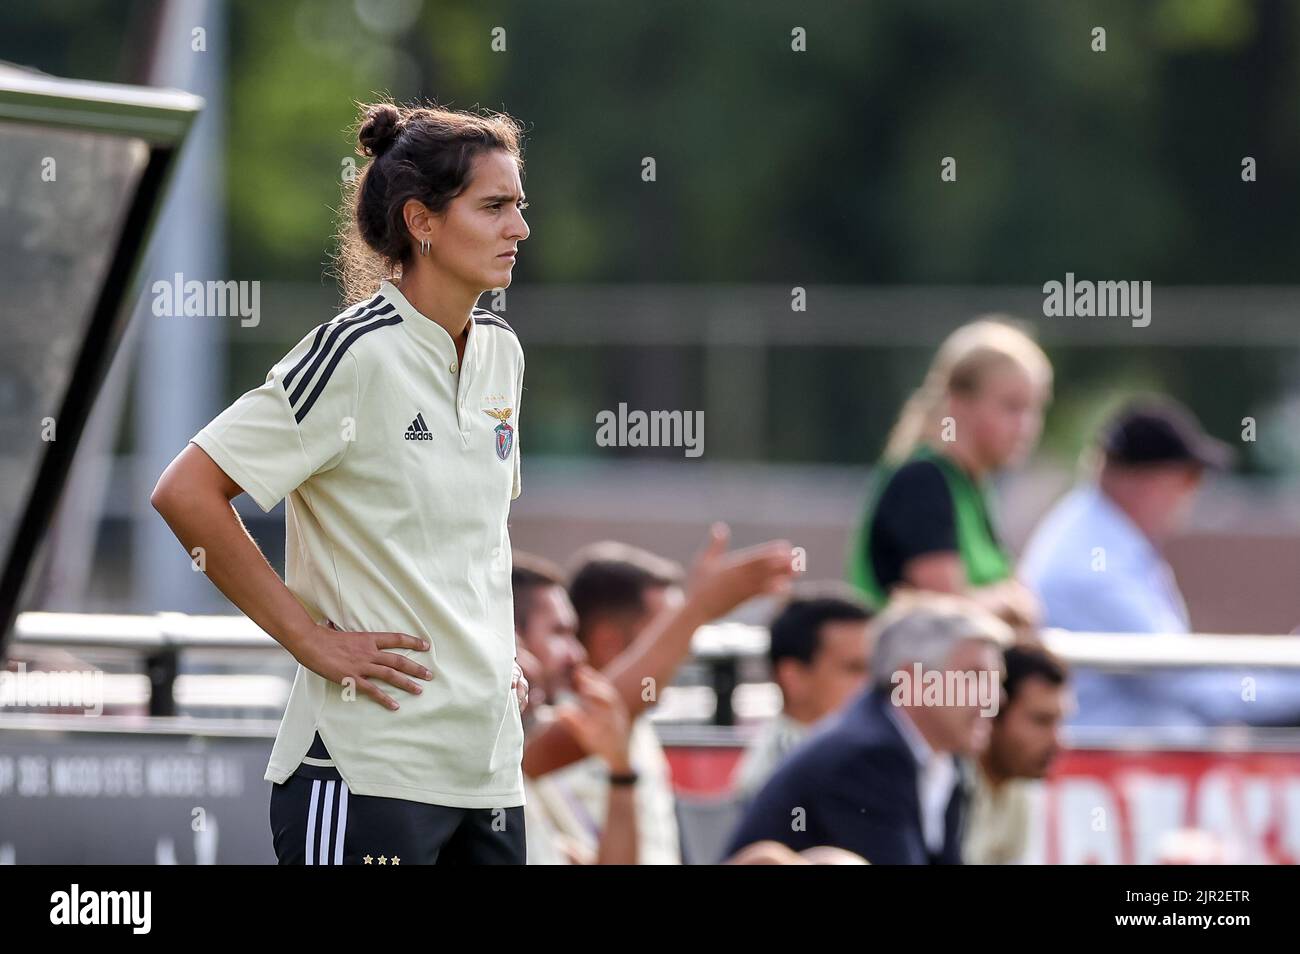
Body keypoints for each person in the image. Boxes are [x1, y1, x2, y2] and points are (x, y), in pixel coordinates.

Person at [151, 101, 533, 864]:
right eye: (494, 207)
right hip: (365, 769)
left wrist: (500, 660)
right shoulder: (352, 356)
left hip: (489, 773)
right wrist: (307, 639)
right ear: (421, 220)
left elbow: (475, 542)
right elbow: (185, 491)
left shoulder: (503, 352)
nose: (519, 228)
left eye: (520, 206)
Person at [1016, 399, 1300, 727]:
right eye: (1189, 478)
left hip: (1114, 758)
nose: (1192, 494)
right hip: (1107, 761)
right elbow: (1194, 687)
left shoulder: (1100, 537)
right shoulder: (1095, 564)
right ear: (1140, 480)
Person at [726, 593, 1013, 864]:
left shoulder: (935, 755)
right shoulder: (865, 757)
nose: (995, 697)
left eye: (996, 680)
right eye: (974, 676)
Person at [846, 318, 1052, 630]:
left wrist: (1002, 603)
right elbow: (948, 616)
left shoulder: (972, 486)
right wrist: (1004, 604)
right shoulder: (922, 483)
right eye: (1012, 407)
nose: (1026, 426)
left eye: (1034, 409)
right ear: (959, 403)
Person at [552, 542, 687, 864]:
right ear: (608, 642)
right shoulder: (559, 734)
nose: (683, 653)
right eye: (665, 638)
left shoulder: (639, 725)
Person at [511, 555, 638, 865]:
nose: (578, 654)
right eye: (559, 633)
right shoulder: (497, 758)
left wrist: (620, 771)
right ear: (512, 638)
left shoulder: (525, 753)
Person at [732, 584, 873, 802]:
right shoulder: (782, 778)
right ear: (793, 677)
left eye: (874, 668)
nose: (871, 683)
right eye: (854, 669)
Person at [964, 643, 1069, 865]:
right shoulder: (947, 781)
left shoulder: (1021, 787)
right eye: (1041, 721)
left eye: (1060, 722)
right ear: (992, 714)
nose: (1058, 742)